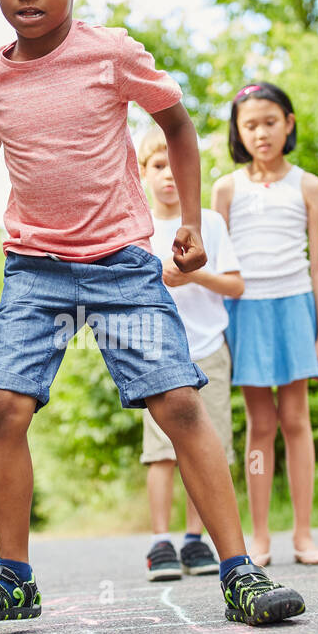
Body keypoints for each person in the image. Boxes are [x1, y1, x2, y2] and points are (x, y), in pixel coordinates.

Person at [0, 0, 306, 627]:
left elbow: (177, 124)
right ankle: (13, 578)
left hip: (120, 263)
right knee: (4, 405)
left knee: (178, 401)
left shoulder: (111, 54)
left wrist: (191, 223)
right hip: (36, 265)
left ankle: (239, 572)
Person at [211, 82, 318, 567]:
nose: (261, 133)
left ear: (289, 122)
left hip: (296, 306)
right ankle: (258, 537)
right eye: (250, 125)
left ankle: (304, 535)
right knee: (260, 425)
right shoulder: (225, 188)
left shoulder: (308, 185)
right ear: (238, 132)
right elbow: (217, 264)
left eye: (270, 122)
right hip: (246, 313)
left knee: (297, 421)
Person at [137, 125, 243, 581]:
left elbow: (236, 285)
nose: (167, 176)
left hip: (208, 348)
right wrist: (159, 274)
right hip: (154, 348)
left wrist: (196, 275)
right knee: (161, 450)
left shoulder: (209, 223)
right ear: (141, 173)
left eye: (174, 167)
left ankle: (196, 540)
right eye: (157, 167)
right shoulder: (134, 224)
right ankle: (160, 541)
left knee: (208, 445)